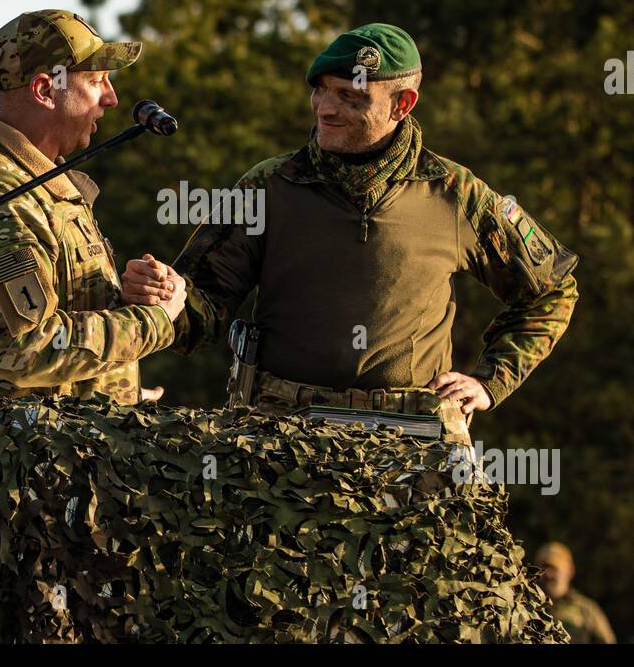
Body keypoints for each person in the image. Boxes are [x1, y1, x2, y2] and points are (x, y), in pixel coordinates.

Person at [121, 22, 579, 449]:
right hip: (282, 438)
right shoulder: (269, 185)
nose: (325, 108)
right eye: (320, 92)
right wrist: (169, 296)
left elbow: (552, 289)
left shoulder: (456, 193)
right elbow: (201, 314)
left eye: (348, 96)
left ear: (402, 104)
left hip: (412, 442)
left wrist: (490, 381)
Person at [0, 9, 185, 508]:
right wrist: (152, 322)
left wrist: (118, 374)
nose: (113, 98)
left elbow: (57, 327)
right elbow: (27, 347)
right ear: (46, 90)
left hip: (53, 485)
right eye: (98, 81)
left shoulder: (41, 184)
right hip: (8, 504)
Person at [533, 542, 616, 643]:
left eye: (554, 568)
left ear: (570, 571)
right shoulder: (525, 606)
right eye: (543, 568)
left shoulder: (587, 610)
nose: (548, 574)